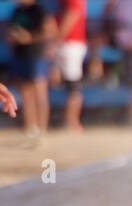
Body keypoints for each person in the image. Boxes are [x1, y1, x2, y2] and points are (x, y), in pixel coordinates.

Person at [5, 0, 55, 141]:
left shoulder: (39, 9)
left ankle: (42, 128)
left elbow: (49, 31)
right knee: (25, 93)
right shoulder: (17, 11)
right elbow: (12, 31)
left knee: (39, 92)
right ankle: (30, 128)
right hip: (20, 55)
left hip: (36, 54)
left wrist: (29, 38)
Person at [56, 0, 88, 132]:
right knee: (66, 84)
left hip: (71, 43)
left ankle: (71, 122)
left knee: (73, 85)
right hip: (66, 43)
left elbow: (72, 14)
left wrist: (57, 38)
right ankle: (68, 121)